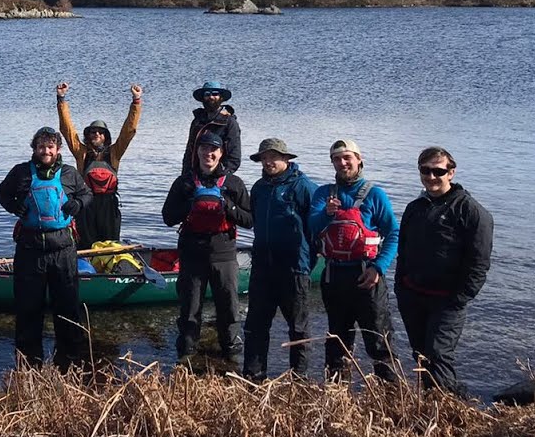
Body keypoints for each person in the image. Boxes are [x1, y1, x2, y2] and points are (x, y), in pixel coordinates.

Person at [395, 147, 493, 397]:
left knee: (438, 356)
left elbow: (479, 263)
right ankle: (429, 407)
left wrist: (459, 299)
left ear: (451, 172)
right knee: (420, 356)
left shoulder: (471, 211)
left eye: (437, 171)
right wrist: (401, 287)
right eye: (425, 170)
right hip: (413, 296)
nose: (431, 176)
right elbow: (403, 251)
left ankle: (451, 409)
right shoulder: (415, 208)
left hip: (447, 301)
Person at [0, 126, 93, 369]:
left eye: (50, 146)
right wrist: (14, 206)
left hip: (63, 250)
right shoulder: (20, 172)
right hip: (30, 250)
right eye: (41, 146)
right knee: (28, 307)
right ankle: (28, 363)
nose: (45, 151)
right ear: (34, 148)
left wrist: (78, 204)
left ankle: (69, 361)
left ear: (58, 149)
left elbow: (88, 194)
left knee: (67, 306)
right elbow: (2, 194)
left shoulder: (70, 173)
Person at [309, 139, 400, 383]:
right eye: (337, 159)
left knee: (379, 342)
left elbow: (393, 233)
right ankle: (337, 397)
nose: (342, 163)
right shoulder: (323, 194)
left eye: (347, 157)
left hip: (367, 276)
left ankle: (391, 398)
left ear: (359, 159)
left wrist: (378, 268)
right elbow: (312, 227)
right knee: (337, 342)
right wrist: (327, 214)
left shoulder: (375, 194)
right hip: (334, 277)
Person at [162, 131, 252, 361]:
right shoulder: (184, 182)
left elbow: (250, 220)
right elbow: (168, 217)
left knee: (229, 307)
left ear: (221, 154)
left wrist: (228, 206)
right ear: (198, 152)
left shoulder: (233, 183)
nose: (208, 154)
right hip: (192, 253)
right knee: (190, 308)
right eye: (204, 149)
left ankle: (230, 350)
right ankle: (187, 351)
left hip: (224, 254)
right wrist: (190, 203)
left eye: (213, 150)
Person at [242, 139, 319, 381]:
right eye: (264, 157)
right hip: (263, 267)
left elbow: (317, 228)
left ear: (287, 159)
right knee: (255, 326)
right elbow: (253, 218)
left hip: (294, 268)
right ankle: (254, 377)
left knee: (298, 328)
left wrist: (307, 261)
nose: (268, 161)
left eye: (273, 157)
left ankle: (300, 379)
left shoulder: (304, 186)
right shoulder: (258, 188)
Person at [55, 82, 143, 248]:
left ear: (105, 137)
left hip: (108, 206)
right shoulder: (81, 152)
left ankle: (110, 270)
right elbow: (67, 130)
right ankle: (86, 272)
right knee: (86, 245)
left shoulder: (115, 153)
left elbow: (128, 131)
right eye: (93, 132)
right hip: (86, 205)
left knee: (111, 245)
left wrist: (136, 101)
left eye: (100, 132)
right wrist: (61, 99)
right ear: (87, 136)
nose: (96, 134)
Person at [181, 81, 241, 177]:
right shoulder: (197, 121)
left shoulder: (229, 123)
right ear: (202, 98)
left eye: (215, 94)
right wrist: (185, 175)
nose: (211, 97)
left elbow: (234, 157)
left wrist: (221, 176)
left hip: (219, 176)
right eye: (207, 94)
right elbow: (189, 152)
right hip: (195, 175)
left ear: (221, 97)